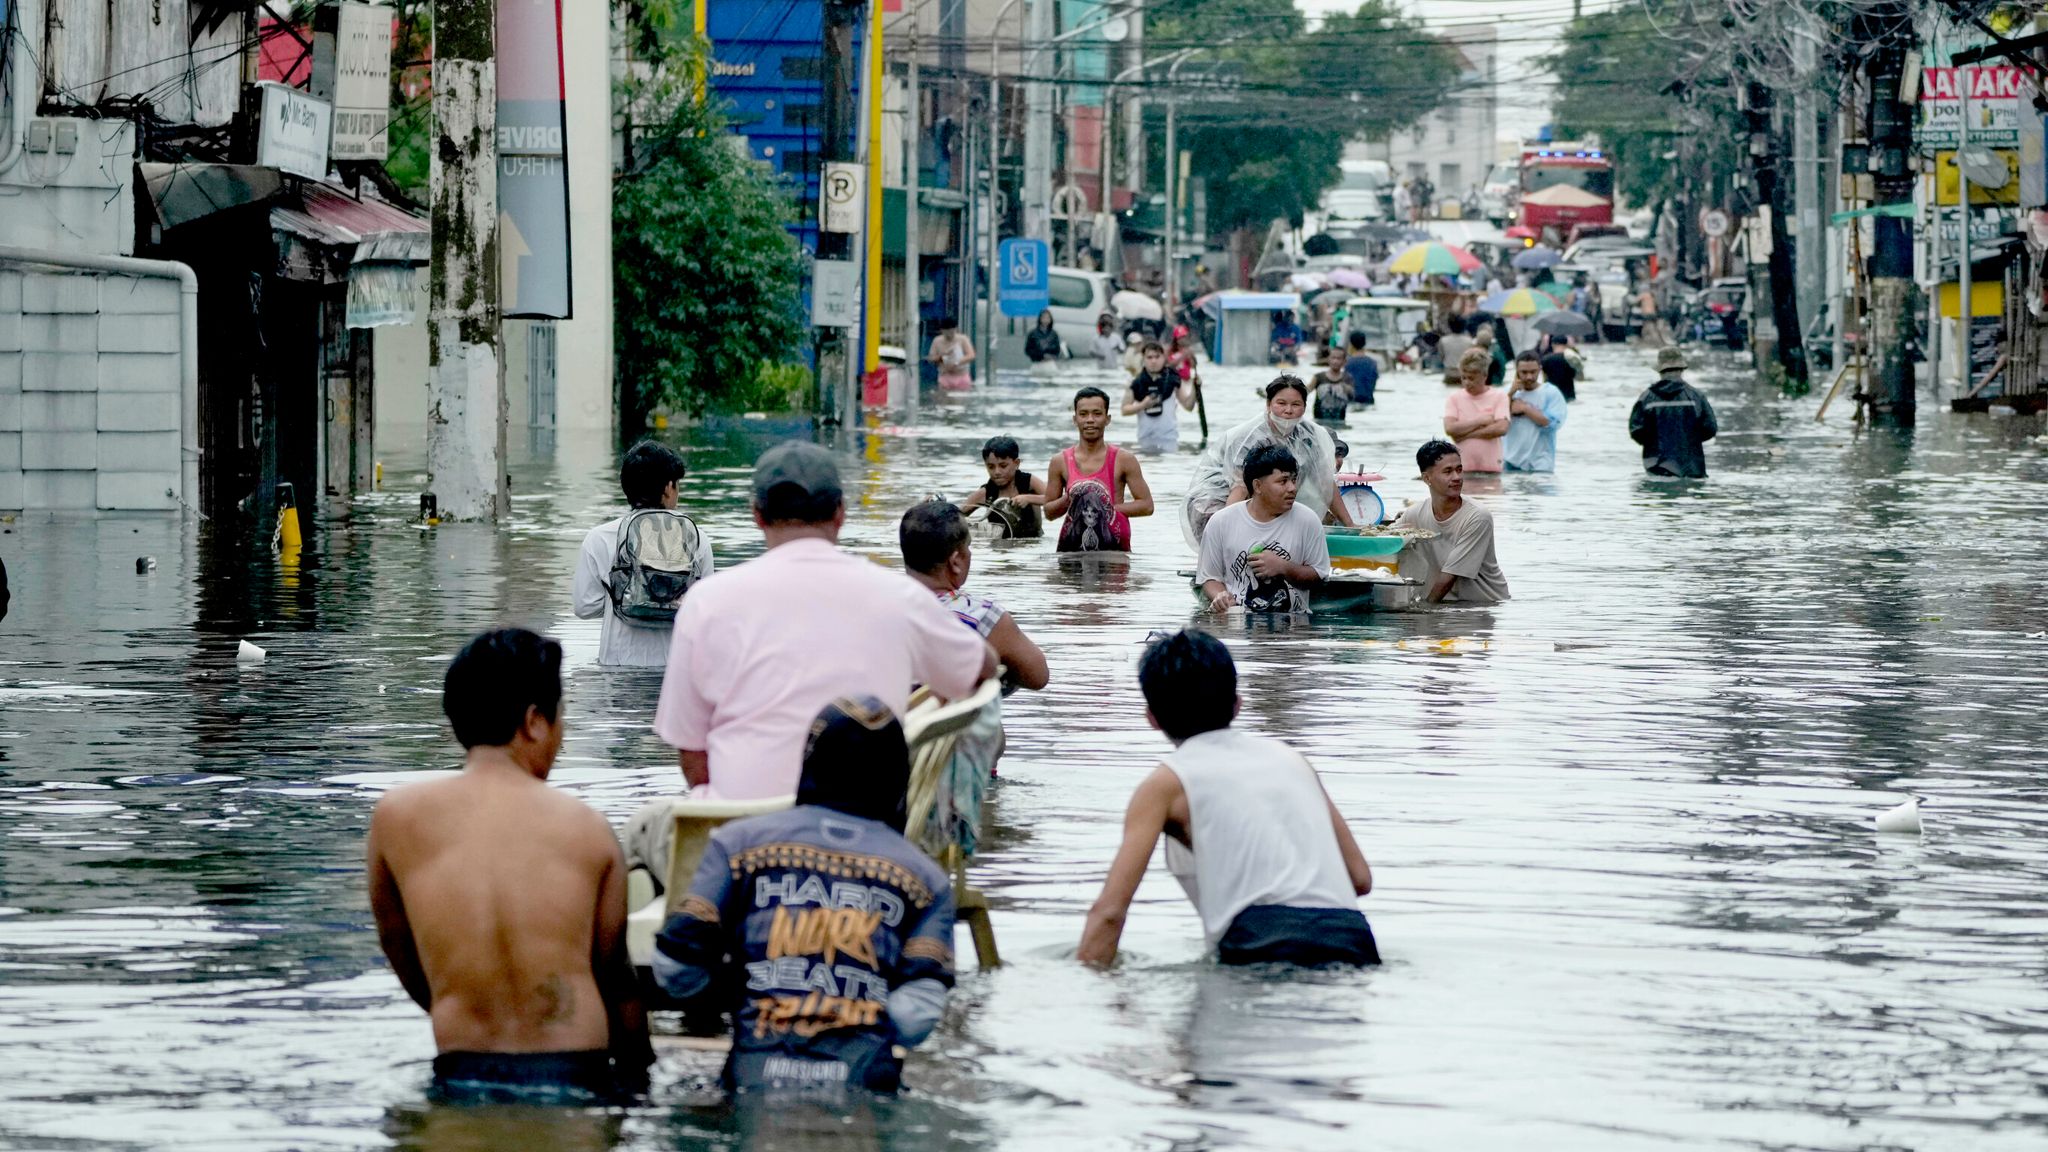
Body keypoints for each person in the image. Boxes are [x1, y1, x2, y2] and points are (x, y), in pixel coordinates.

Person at [643, 441, 996, 832]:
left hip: (740, 834)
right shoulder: (900, 597)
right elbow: (982, 666)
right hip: (866, 832)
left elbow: (692, 756)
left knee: (643, 826)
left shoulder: (705, 602)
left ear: (757, 515)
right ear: (841, 514)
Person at [368, 628, 654, 1104]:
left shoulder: (395, 819)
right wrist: (640, 1081)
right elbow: (615, 979)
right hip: (574, 1073)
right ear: (534, 721)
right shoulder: (586, 829)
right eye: (560, 716)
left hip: (461, 1068)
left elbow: (402, 952)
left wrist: (465, 1007)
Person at [652, 697, 957, 1094]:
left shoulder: (737, 846)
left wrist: (747, 990)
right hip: (863, 1089)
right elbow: (916, 1020)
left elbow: (675, 969)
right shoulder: (927, 881)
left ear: (811, 761)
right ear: (899, 774)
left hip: (752, 1080)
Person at [1078, 629, 1378, 968]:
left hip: (1259, 944)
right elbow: (1359, 878)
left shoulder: (1166, 783)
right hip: (1353, 939)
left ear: (1152, 718)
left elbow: (1110, 913)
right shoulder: (1292, 761)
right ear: (1238, 703)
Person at [573, 440, 713, 668]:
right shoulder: (696, 538)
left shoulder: (599, 538)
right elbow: (704, 608)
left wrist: (626, 597)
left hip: (617, 664)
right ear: (668, 488)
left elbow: (584, 607)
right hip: (670, 668)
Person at [902, 501, 1050, 696]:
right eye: (968, 547)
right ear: (955, 562)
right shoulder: (982, 615)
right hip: (945, 720)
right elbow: (1038, 676)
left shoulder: (877, 605)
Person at [1185, 376, 1353, 544]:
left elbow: (1325, 482)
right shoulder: (1250, 437)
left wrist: (1350, 527)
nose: (1288, 410)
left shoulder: (1309, 436)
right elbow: (1239, 489)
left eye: (1295, 404)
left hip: (1258, 504)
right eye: (1281, 403)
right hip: (1214, 506)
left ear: (1304, 407)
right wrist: (1228, 536)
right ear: (1268, 405)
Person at [1196, 445, 1331, 614]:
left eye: (1294, 480)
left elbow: (1319, 576)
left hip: (1293, 625)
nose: (1292, 488)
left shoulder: (1308, 520)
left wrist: (1283, 567)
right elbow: (1209, 577)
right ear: (1258, 486)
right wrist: (1221, 597)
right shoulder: (1221, 522)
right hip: (1239, 623)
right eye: (1283, 481)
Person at [1394, 440, 1510, 604]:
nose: (1457, 477)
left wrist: (1424, 609)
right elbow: (1383, 541)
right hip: (1446, 604)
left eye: (1459, 470)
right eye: (1448, 471)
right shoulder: (1414, 514)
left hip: (1483, 605)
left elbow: (1449, 576)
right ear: (1427, 478)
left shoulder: (1477, 517)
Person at [1043, 387, 1155, 552]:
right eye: (1083, 414)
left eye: (1097, 413)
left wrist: (1103, 508)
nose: (1090, 420)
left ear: (1107, 419)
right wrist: (1070, 499)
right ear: (1075, 419)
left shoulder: (1124, 460)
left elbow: (1147, 506)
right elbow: (1048, 512)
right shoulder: (1060, 461)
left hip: (1114, 549)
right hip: (1073, 549)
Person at [1629, 346, 1718, 479]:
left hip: (1657, 470)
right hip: (1692, 469)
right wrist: (1690, 440)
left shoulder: (1646, 398)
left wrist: (1654, 443)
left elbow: (1636, 430)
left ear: (1660, 371)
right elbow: (1710, 428)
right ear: (1682, 369)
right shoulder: (1696, 397)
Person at [959, 434, 1046, 539]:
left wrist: (1029, 498)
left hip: (1033, 545)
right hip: (1000, 550)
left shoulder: (1029, 483)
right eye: (991, 467)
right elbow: (955, 516)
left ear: (1016, 463)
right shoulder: (986, 493)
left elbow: (1057, 499)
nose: (997, 472)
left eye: (1003, 466)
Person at [1442, 346, 1511, 475]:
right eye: (1464, 378)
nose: (1467, 382)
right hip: (1461, 471)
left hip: (1491, 470)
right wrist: (1480, 421)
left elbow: (1501, 428)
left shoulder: (1499, 397)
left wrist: (1464, 435)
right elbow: (1450, 428)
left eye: (1472, 378)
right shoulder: (1454, 398)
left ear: (1484, 375)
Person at [1122, 341, 1196, 453]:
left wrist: (1195, 388)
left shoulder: (1173, 379)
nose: (1153, 361)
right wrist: (1143, 405)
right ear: (1144, 359)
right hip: (1144, 440)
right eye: (1149, 357)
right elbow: (1124, 410)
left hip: (1170, 440)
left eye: (1157, 357)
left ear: (1164, 358)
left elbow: (1188, 406)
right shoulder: (1135, 383)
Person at [1504, 351, 1568, 473]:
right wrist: (1510, 394)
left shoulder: (1551, 393)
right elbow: (1497, 420)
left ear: (1540, 369)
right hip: (1510, 461)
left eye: (1533, 372)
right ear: (1516, 371)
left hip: (1541, 463)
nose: (1529, 377)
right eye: (1524, 372)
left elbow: (1551, 423)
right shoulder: (1507, 393)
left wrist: (1525, 409)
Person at [927, 317, 976, 392]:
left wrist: (958, 362)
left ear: (956, 329)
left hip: (961, 375)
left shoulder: (963, 339)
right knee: (943, 400)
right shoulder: (937, 341)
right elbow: (931, 358)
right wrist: (943, 357)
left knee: (961, 401)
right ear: (942, 330)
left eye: (952, 331)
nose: (950, 334)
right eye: (947, 332)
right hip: (945, 375)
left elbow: (971, 355)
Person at [1310, 345, 1353, 425]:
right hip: (1319, 421)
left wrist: (1347, 389)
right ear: (1328, 359)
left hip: (1339, 421)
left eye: (1338, 358)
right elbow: (1304, 392)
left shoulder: (1347, 378)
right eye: (1333, 358)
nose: (1335, 361)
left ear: (1344, 361)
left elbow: (1352, 396)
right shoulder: (1319, 377)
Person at [1437, 314, 1475, 387]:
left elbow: (1441, 358)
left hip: (1449, 374)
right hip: (1464, 376)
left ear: (1450, 326)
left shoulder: (1443, 341)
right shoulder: (1469, 341)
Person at [1343, 330, 1378, 407]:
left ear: (1351, 344)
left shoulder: (1347, 363)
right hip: (1369, 400)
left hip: (1352, 401)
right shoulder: (1373, 363)